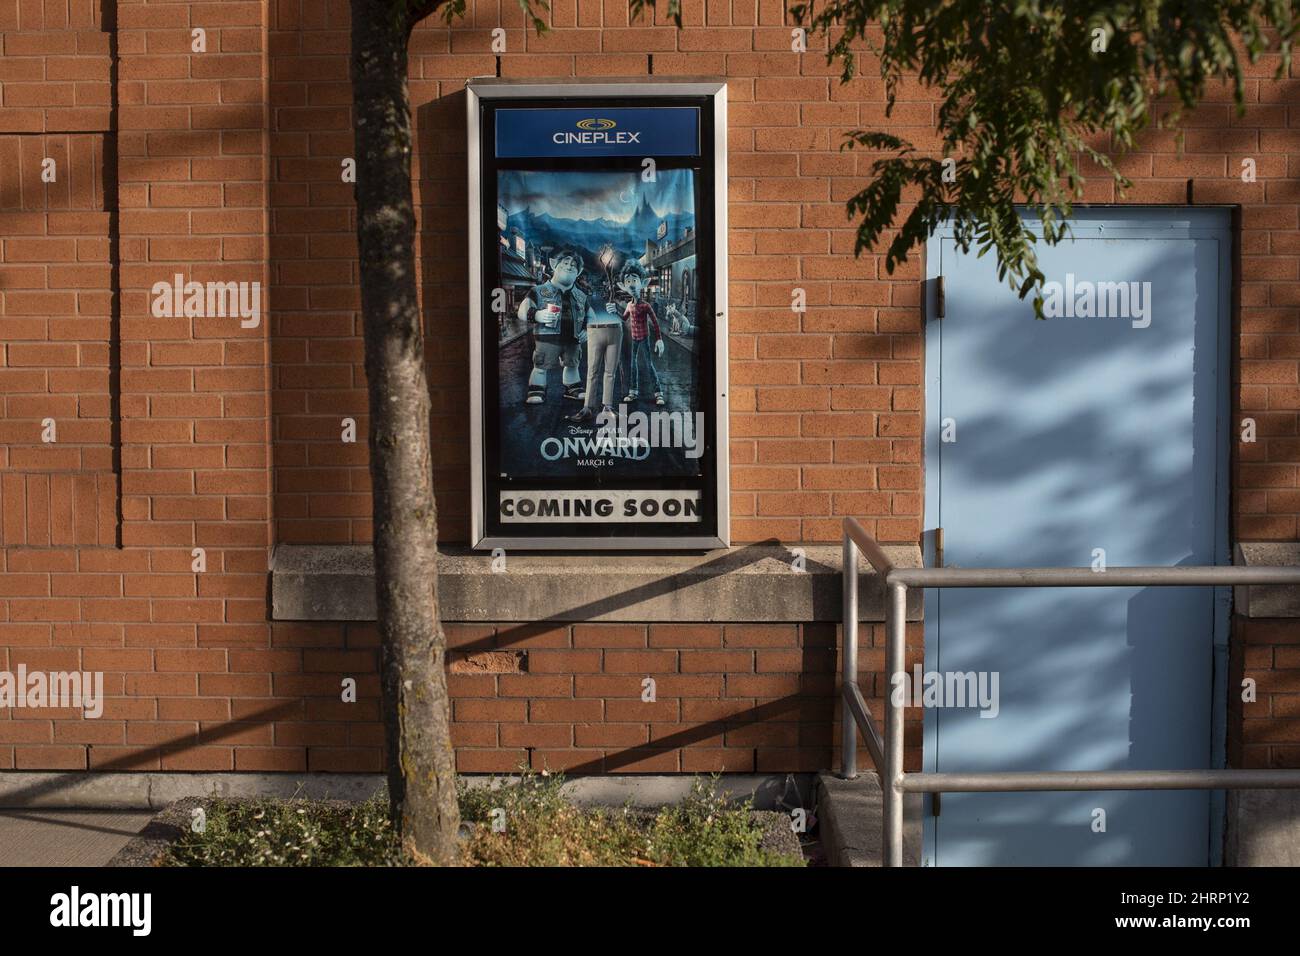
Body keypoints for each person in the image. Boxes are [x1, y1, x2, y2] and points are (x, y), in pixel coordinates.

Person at [516, 247, 598, 405]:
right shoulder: (538, 291)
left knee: (572, 364)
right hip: (547, 338)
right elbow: (523, 309)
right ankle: (536, 389)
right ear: (554, 265)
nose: (569, 266)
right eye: (565, 262)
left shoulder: (581, 296)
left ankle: (572, 387)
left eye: (574, 265)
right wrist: (537, 315)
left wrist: (587, 329)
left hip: (573, 339)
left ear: (578, 272)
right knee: (541, 365)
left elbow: (591, 316)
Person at [614, 261, 665, 407]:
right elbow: (624, 319)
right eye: (628, 281)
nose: (631, 284)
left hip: (644, 338)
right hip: (634, 339)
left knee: (649, 364)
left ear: (642, 283)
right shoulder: (630, 305)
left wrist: (659, 339)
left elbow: (655, 322)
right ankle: (633, 392)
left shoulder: (645, 305)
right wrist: (614, 312)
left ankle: (658, 393)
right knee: (633, 364)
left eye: (634, 280)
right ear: (624, 285)